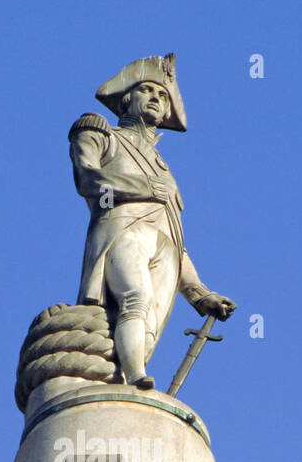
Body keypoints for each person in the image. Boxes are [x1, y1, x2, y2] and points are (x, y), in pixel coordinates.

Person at [69, 53, 236, 390]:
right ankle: (135, 375)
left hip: (166, 251)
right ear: (127, 97)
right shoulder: (101, 133)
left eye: (162, 95)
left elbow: (175, 236)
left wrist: (199, 293)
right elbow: (88, 181)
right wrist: (143, 187)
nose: (156, 99)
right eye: (147, 90)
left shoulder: (165, 170)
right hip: (123, 231)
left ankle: (126, 381)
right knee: (135, 297)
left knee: (149, 324)